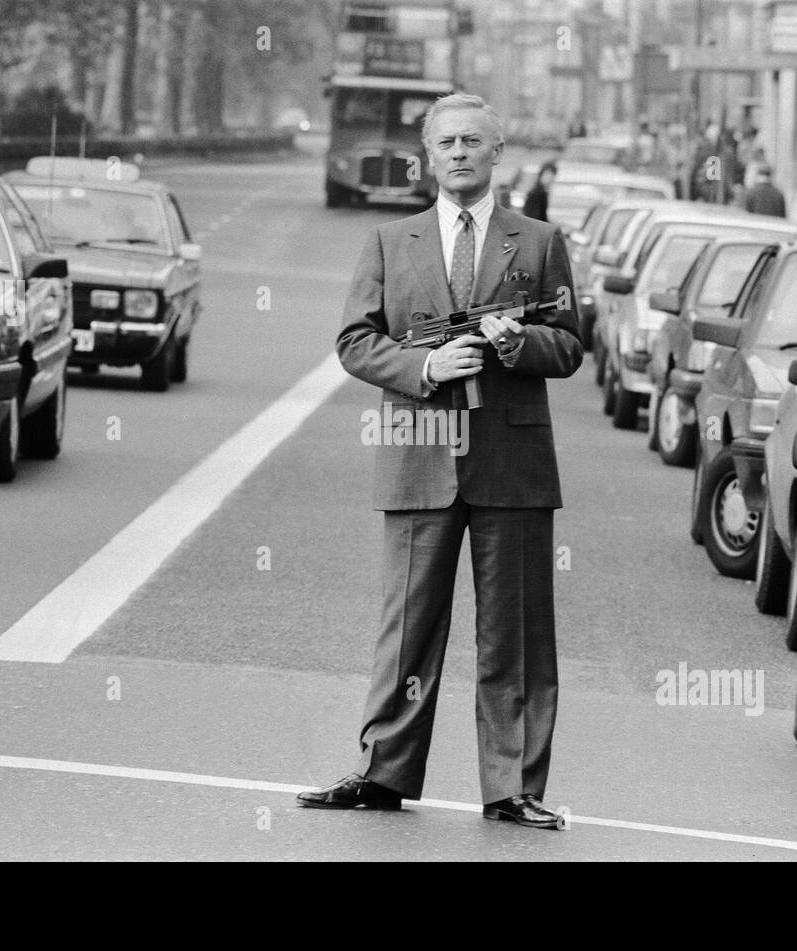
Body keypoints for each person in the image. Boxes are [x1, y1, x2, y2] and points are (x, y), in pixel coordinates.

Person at [299, 93, 583, 829]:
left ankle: (513, 785)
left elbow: (572, 344)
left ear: (497, 154)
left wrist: (519, 346)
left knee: (515, 633)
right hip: (419, 454)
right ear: (428, 156)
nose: (459, 153)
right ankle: (382, 771)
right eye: (446, 142)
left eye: (473, 142)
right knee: (408, 628)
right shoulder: (390, 243)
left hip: (513, 460)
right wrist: (426, 369)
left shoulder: (541, 241)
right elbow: (355, 341)